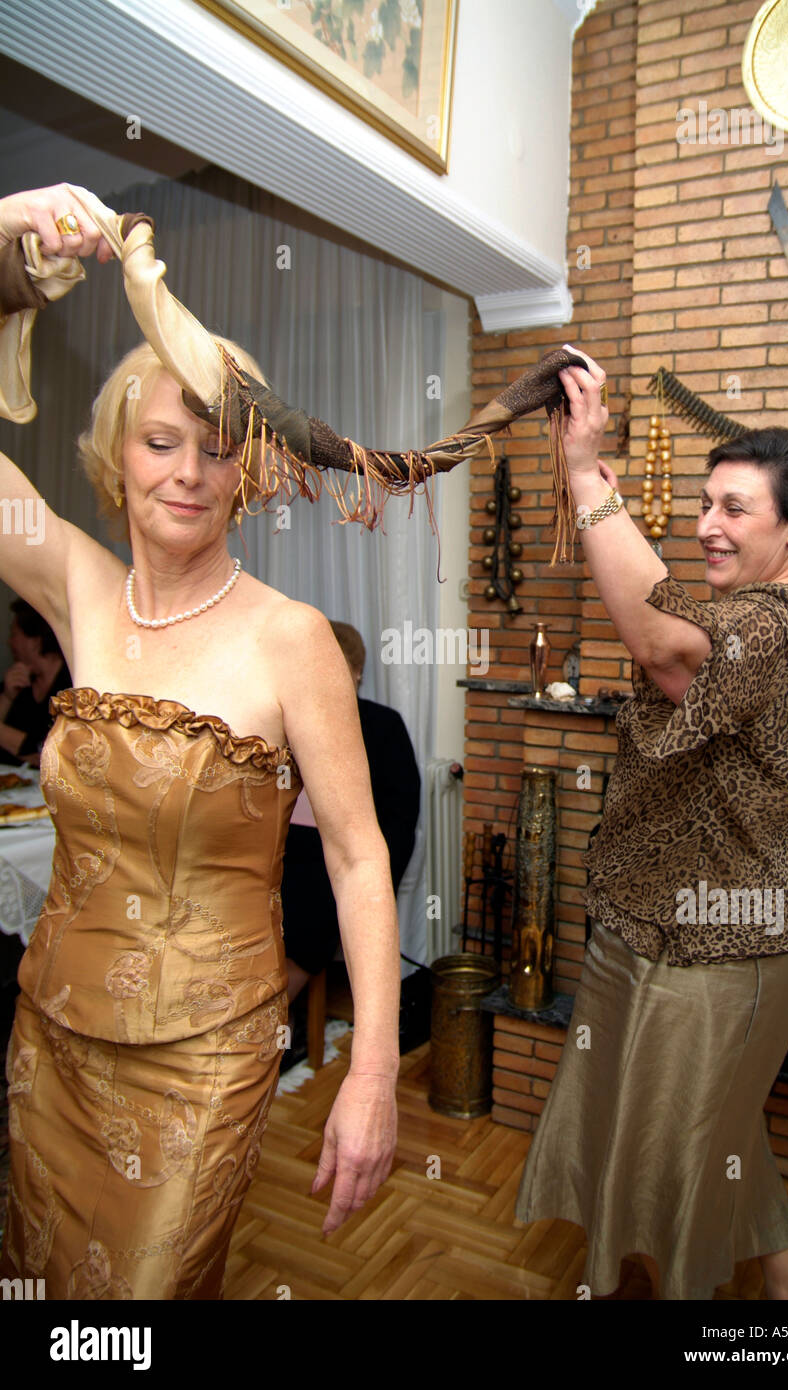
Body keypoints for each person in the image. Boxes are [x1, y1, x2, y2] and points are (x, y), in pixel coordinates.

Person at [0, 185, 399, 1299]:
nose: (188, 472)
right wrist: (6, 234)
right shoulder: (77, 588)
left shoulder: (290, 638)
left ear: (249, 471)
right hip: (53, 1037)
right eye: (161, 442)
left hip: (202, 1061)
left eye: (217, 449)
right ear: (116, 455)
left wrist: (369, 1068)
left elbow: (358, 857)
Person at [515, 350, 788, 1302]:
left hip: (727, 948)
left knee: (682, 1158)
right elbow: (675, 617)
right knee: (712, 1132)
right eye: (704, 503)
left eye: (734, 510)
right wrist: (599, 501)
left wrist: (584, 478)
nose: (706, 524)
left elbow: (660, 643)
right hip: (653, 924)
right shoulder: (744, 614)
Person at [281, 621, 420, 1036]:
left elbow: (401, 817)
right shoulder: (289, 721)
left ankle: (266, 1021)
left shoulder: (383, 725)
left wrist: (373, 880)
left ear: (357, 672)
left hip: (345, 858)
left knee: (314, 910)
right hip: (286, 849)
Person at [0, 600, 71, 766]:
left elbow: (52, 752)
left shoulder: (73, 686)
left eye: (14, 634)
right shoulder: (18, 682)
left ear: (35, 640)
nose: (10, 643)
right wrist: (7, 698)